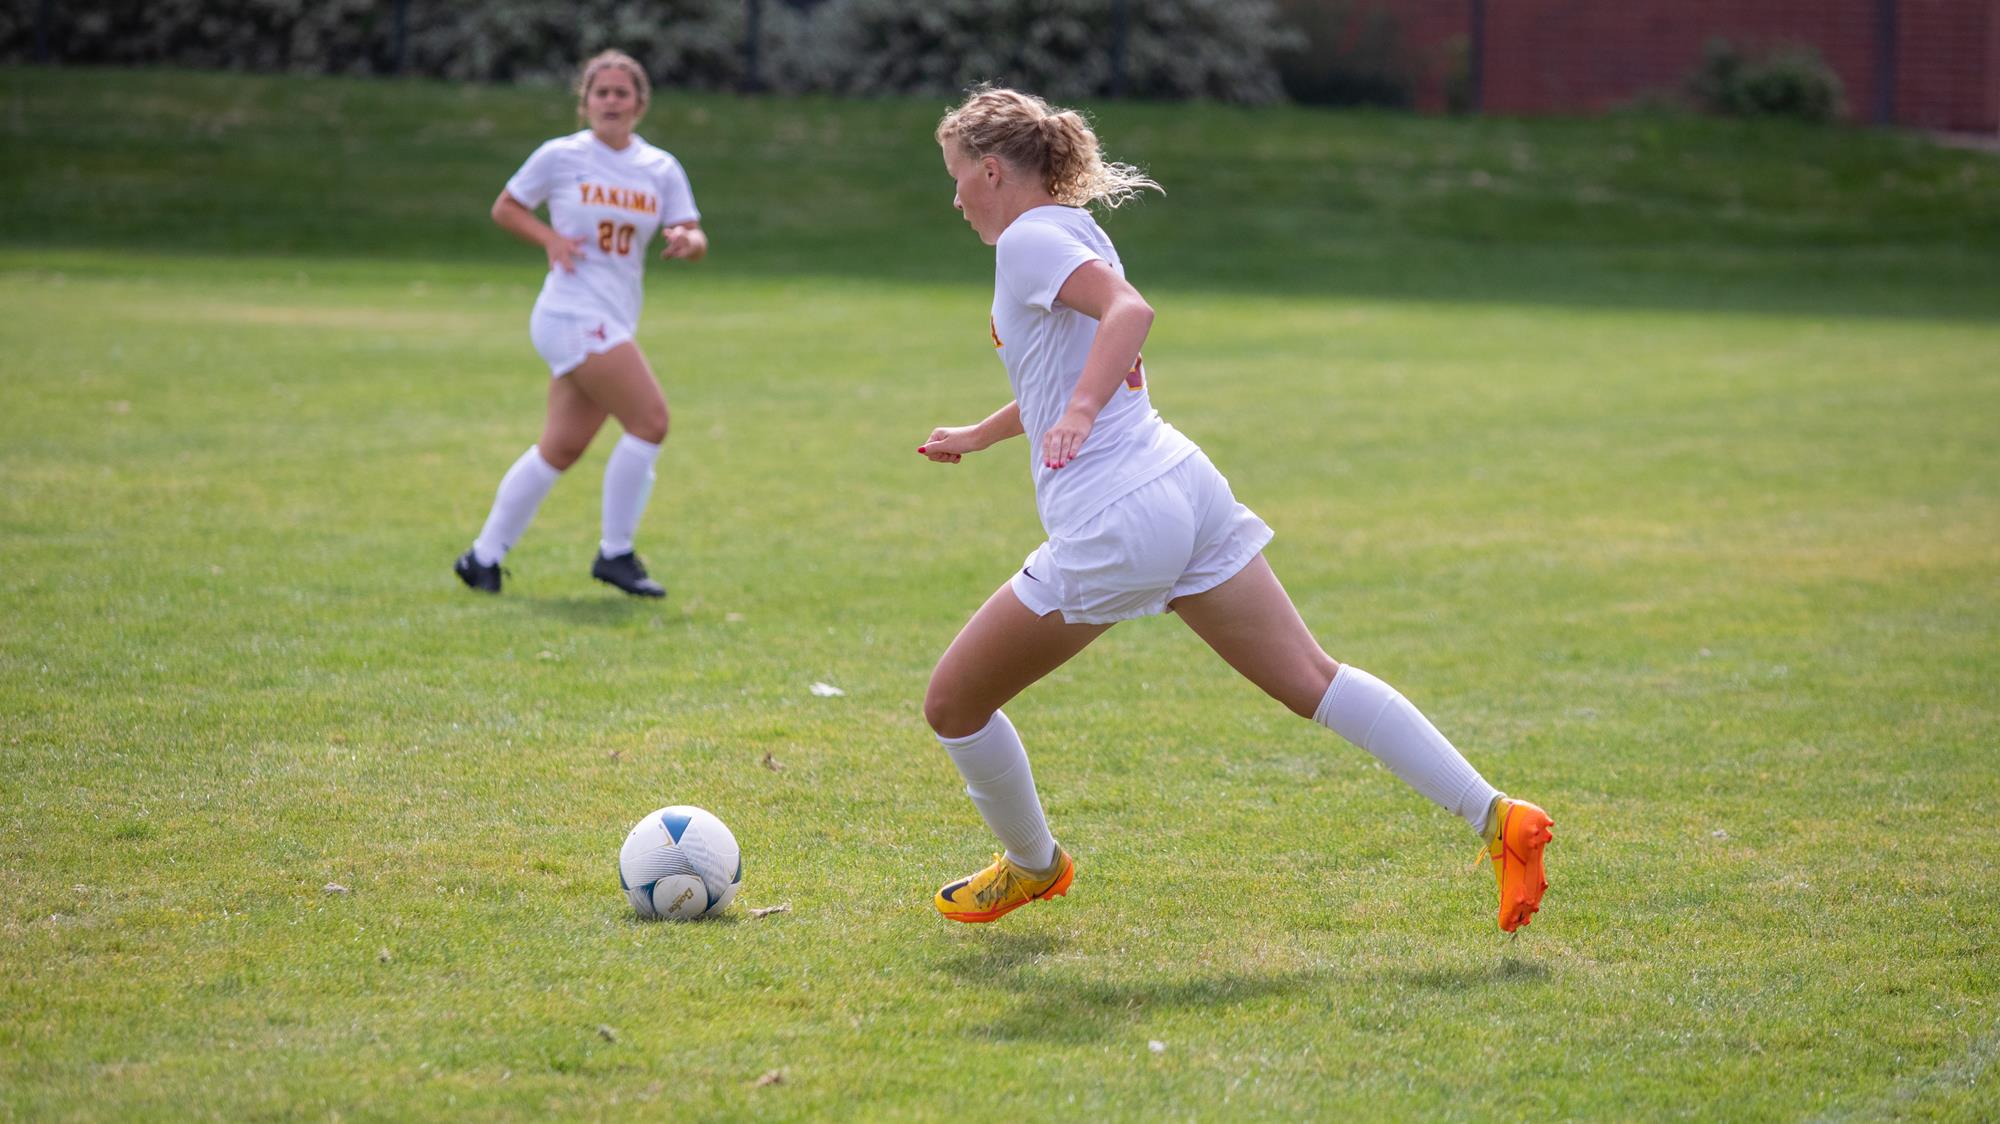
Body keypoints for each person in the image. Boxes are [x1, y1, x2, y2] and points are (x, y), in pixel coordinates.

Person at [917, 86, 1553, 932]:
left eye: (957, 176)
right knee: (1314, 680)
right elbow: (1063, 371)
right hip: (1181, 483)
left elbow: (1130, 315)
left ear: (992, 170)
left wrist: (1079, 414)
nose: (956, 197)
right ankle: (1499, 816)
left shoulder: (1030, 240)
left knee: (953, 705)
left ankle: (1036, 867)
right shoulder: (1072, 229)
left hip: (1116, 517)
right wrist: (984, 433)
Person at [453, 49, 706, 598]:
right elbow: (506, 206)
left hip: (613, 316)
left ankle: (482, 558)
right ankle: (616, 553)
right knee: (651, 421)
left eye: (621, 93)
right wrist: (550, 239)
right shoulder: (561, 155)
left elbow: (693, 232)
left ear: (639, 104)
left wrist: (687, 241)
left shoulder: (659, 167)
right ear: (585, 102)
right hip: (570, 311)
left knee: (561, 447)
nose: (611, 101)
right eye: (601, 92)